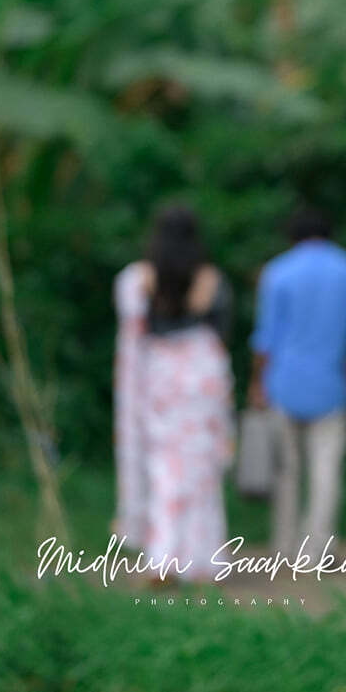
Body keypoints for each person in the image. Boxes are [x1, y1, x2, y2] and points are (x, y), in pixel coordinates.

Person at [249, 207, 346, 559]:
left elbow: (264, 339)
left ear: (292, 236)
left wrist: (257, 382)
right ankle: (316, 550)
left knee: (286, 472)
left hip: (282, 384)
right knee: (326, 471)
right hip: (333, 385)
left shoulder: (277, 272)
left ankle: (283, 548)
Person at [113, 204, 235, 584]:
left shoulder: (141, 278)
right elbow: (222, 331)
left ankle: (164, 556)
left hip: (161, 376)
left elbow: (136, 333)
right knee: (202, 468)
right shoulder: (210, 279)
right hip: (202, 374)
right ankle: (202, 559)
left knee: (164, 467)